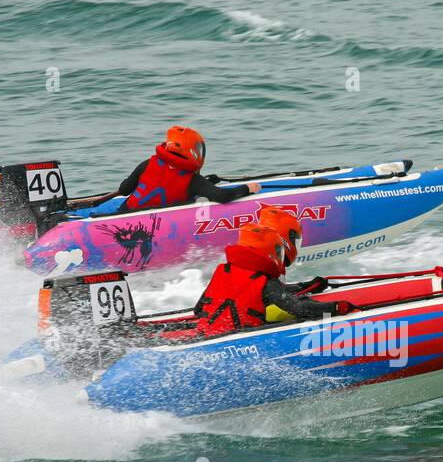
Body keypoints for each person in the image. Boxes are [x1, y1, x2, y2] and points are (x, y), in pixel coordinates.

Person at [193, 222, 353, 335]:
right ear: (267, 251)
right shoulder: (264, 282)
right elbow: (297, 308)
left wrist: (305, 285)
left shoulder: (223, 271)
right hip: (242, 341)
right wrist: (336, 307)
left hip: (205, 334)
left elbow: (198, 309)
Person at [68, 126, 261, 218]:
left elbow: (125, 189)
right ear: (192, 152)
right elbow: (222, 196)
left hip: (125, 213)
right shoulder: (193, 181)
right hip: (148, 221)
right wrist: (248, 188)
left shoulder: (148, 164)